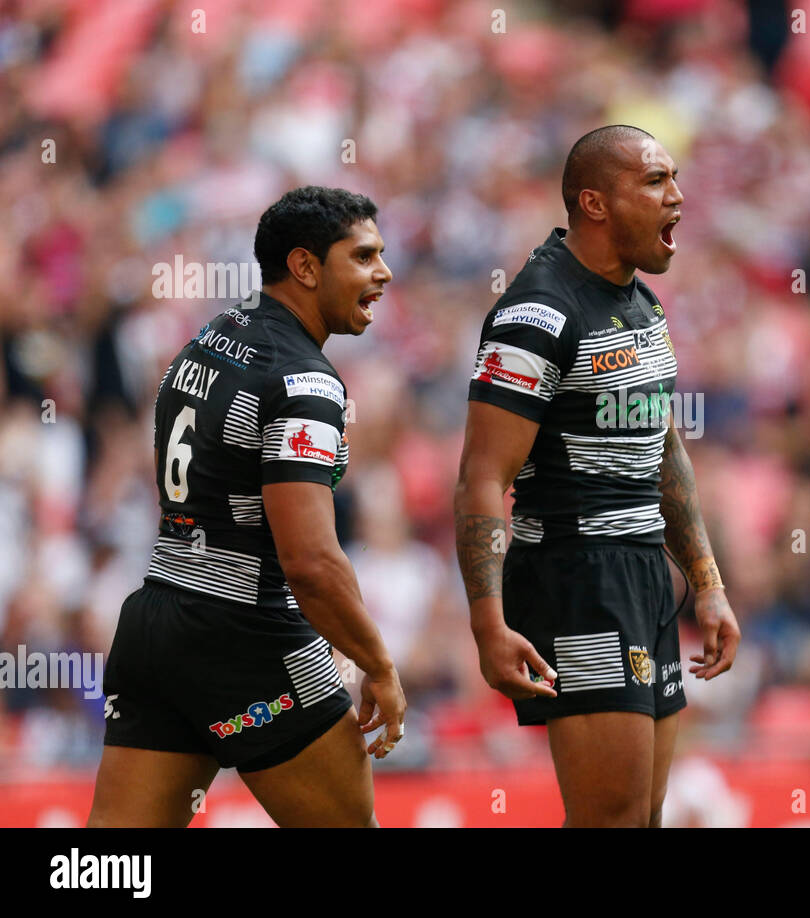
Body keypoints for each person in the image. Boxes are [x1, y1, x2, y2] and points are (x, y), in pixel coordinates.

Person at [88, 186, 406, 828]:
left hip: (156, 622)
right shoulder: (304, 380)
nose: (383, 272)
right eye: (364, 256)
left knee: (114, 865)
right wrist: (379, 665)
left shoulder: (210, 336)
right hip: (246, 632)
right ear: (306, 267)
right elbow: (310, 560)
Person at [454, 125, 740, 828]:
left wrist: (708, 585)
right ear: (595, 203)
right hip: (576, 576)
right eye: (655, 182)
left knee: (642, 817)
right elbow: (482, 478)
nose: (677, 196)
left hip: (644, 574)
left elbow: (663, 448)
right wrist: (487, 622)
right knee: (608, 820)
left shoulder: (641, 304)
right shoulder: (537, 312)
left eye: (673, 179)